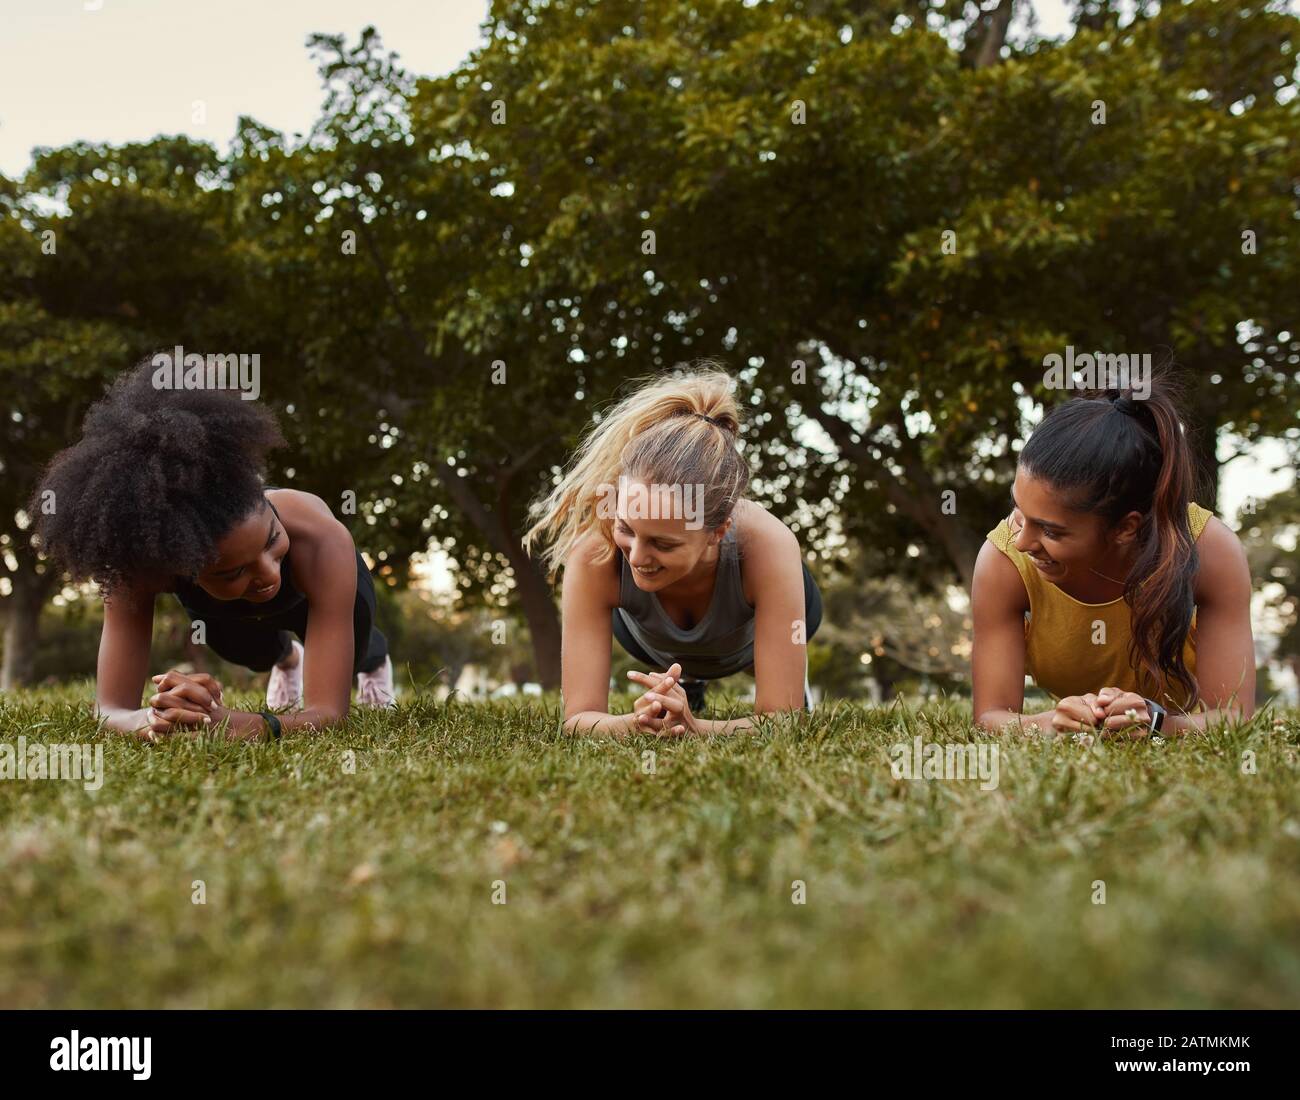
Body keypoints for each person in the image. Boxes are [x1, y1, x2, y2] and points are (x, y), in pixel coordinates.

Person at [32, 355, 395, 742]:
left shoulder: (321, 538)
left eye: (272, 540)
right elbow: (109, 710)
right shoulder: (143, 564)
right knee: (245, 650)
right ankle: (287, 658)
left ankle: (374, 658)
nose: (269, 573)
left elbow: (327, 715)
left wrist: (241, 724)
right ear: (178, 565)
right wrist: (156, 720)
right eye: (232, 570)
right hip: (226, 608)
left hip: (321, 587)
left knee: (353, 642)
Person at [522, 364, 823, 735]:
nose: (635, 557)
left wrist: (696, 727)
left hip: (744, 640)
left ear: (718, 530)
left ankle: (772, 669)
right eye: (626, 529)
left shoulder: (767, 544)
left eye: (663, 543)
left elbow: (783, 722)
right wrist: (633, 724)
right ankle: (685, 682)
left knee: (768, 665)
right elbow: (577, 720)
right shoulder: (594, 553)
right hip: (652, 642)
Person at [971, 374, 1255, 736]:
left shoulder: (1209, 550)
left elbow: (1233, 718)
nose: (1023, 541)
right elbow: (990, 717)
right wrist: (1045, 725)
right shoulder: (1003, 560)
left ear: (1125, 528)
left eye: (1051, 530)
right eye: (1019, 511)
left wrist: (1160, 723)